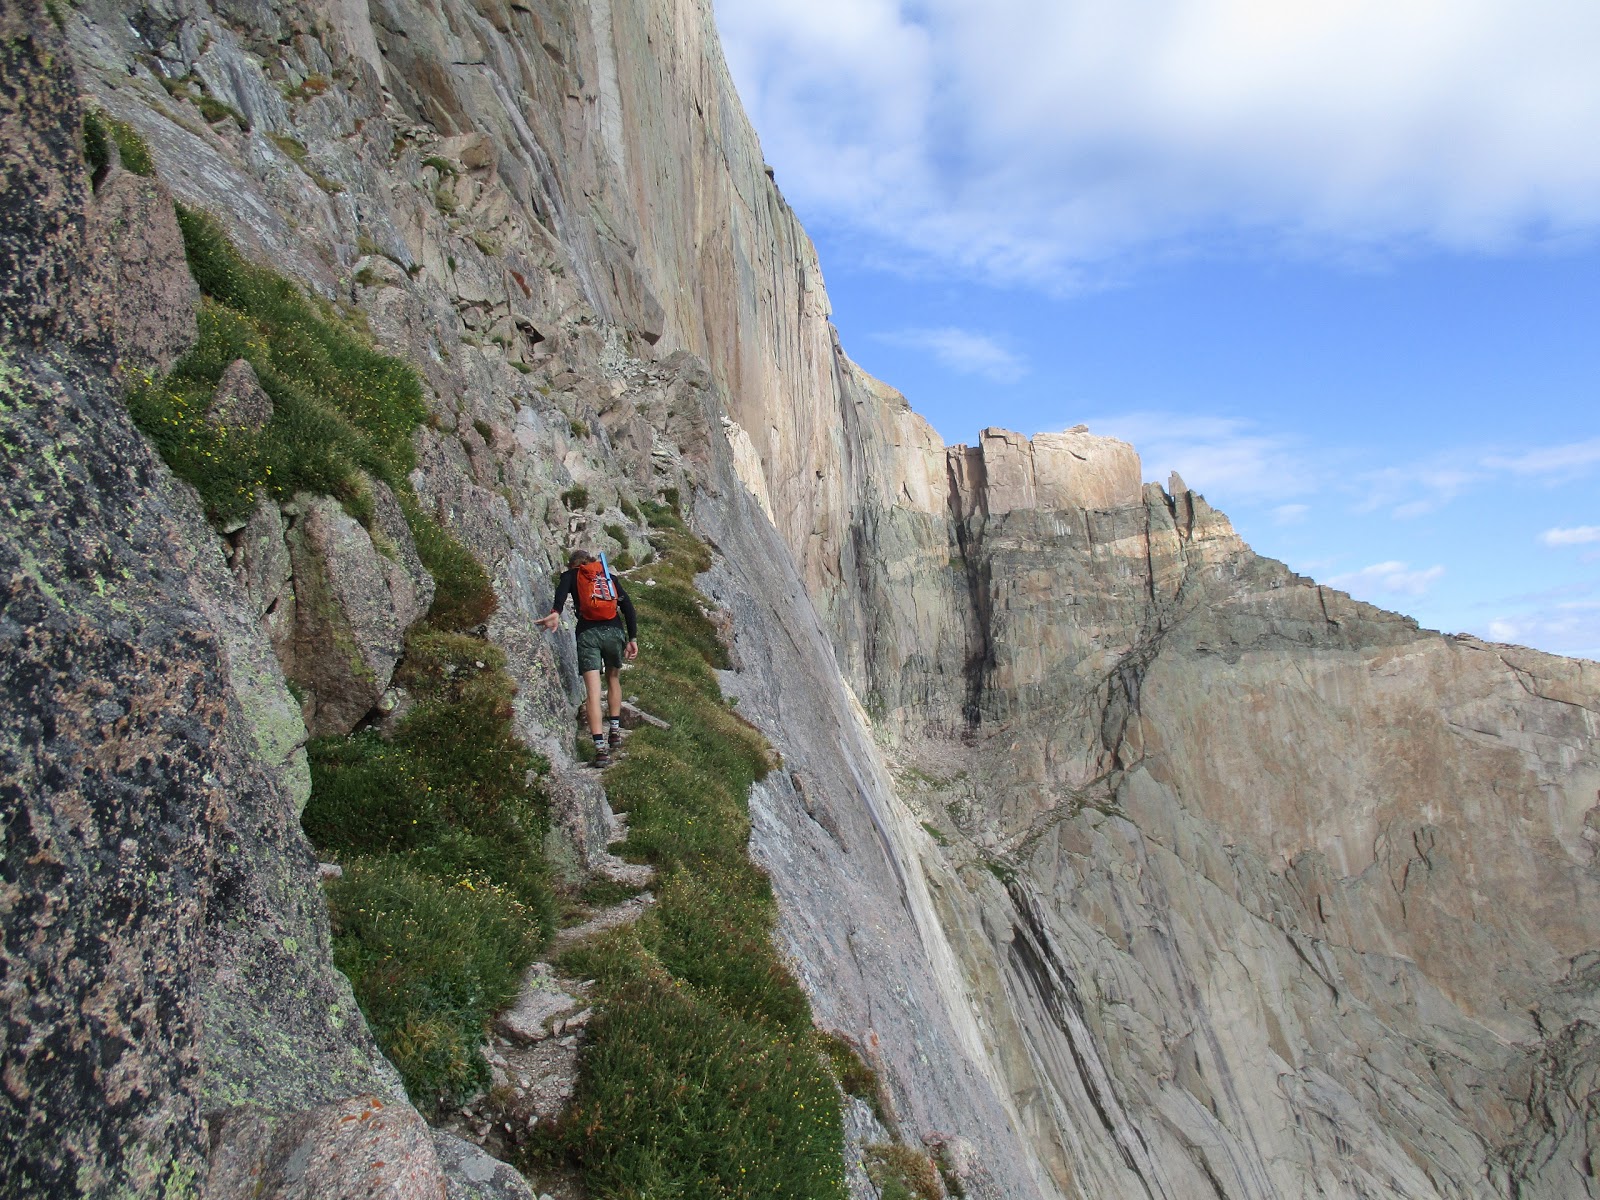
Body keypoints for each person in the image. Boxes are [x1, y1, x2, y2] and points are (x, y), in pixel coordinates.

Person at [537, 550, 638, 766]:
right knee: (613, 679)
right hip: (614, 632)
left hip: (587, 635)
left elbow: (561, 597)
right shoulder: (608, 577)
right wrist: (633, 638)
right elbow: (627, 607)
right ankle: (615, 731)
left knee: (593, 692)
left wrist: (555, 612)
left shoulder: (570, 576)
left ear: (573, 565)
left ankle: (600, 750)